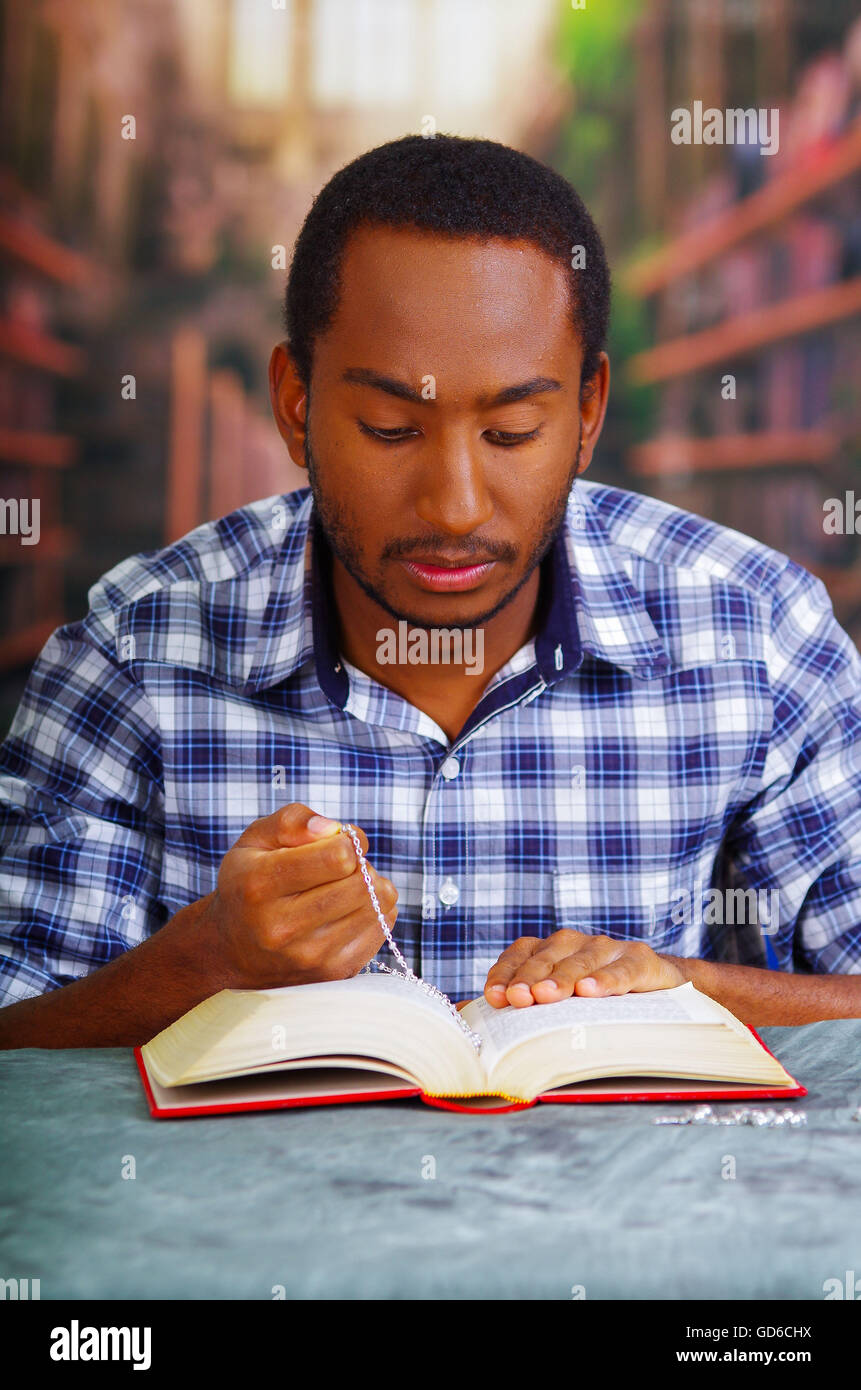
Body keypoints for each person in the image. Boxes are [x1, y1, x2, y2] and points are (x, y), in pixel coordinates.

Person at [1, 134, 859, 1049]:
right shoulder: (130, 657)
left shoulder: (760, 636)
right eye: (389, 428)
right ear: (295, 404)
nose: (454, 508)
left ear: (586, 413)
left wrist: (680, 990)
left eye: (513, 431)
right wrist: (203, 964)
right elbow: (15, 1042)